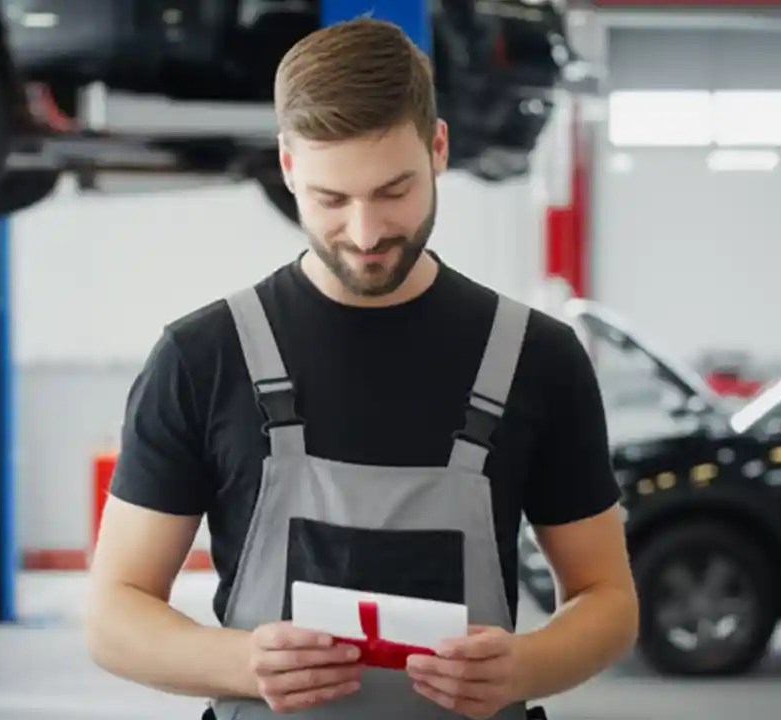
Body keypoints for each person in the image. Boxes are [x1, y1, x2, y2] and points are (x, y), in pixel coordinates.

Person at [85, 17, 638, 720]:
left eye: (393, 191)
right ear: (289, 167)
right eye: (332, 199)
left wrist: (527, 665)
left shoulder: (538, 358)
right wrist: (242, 663)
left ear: (438, 149)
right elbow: (114, 613)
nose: (366, 233)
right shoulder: (203, 358)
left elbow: (606, 598)